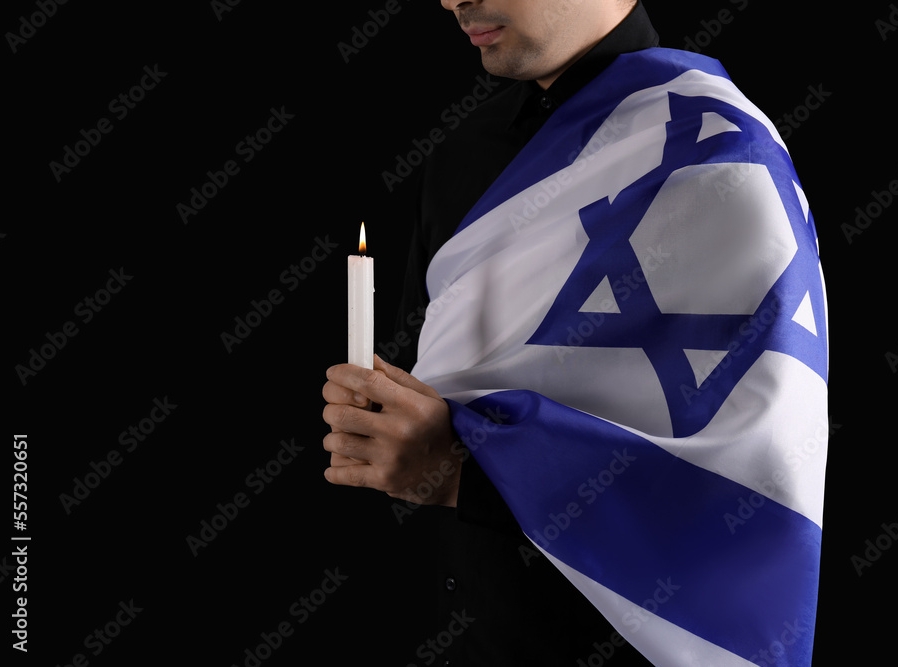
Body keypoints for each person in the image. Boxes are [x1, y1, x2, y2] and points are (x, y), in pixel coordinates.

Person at [323, 1, 829, 665]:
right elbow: (433, 392)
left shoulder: (722, 154)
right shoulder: (463, 157)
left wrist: (456, 474)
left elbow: (745, 485)